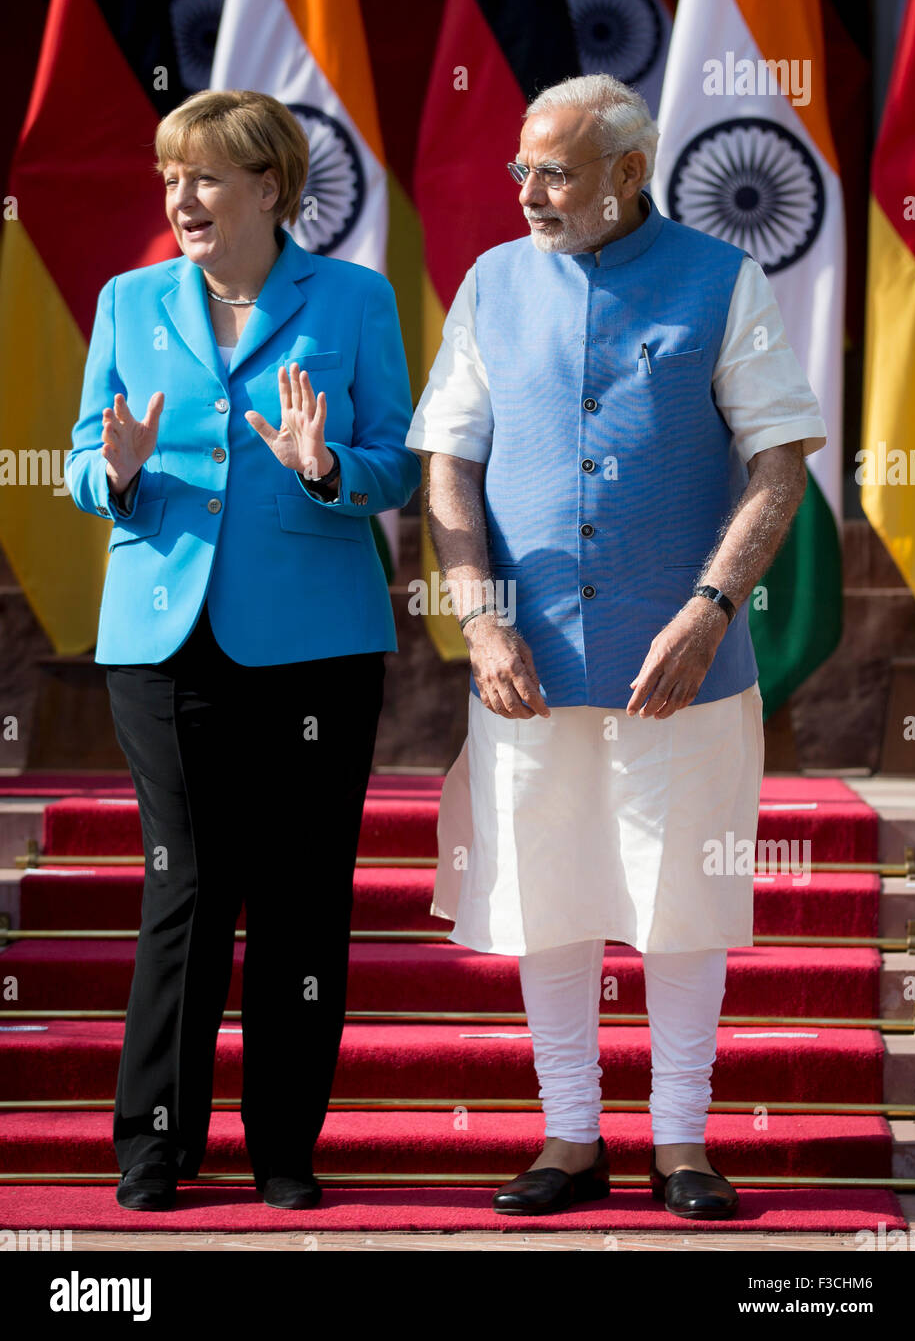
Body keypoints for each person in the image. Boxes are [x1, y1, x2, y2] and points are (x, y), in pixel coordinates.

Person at [405, 74, 827, 1219]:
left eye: (554, 171)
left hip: (683, 664)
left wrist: (706, 610)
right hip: (524, 660)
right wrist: (478, 615)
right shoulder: (491, 283)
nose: (529, 192)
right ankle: (569, 1136)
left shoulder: (720, 278)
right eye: (519, 170)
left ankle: (682, 1142)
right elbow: (447, 460)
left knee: (681, 897)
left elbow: (779, 459)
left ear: (626, 175)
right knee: (544, 890)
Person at [65, 88, 420, 1211]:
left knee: (303, 892)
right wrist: (112, 470)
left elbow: (393, 468)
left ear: (270, 187)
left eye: (206, 175)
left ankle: (282, 1148)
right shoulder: (127, 301)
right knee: (187, 881)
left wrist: (326, 468)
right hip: (163, 644)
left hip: (317, 644)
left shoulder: (355, 301)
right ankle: (155, 1145)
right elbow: (85, 456)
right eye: (172, 176)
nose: (182, 196)